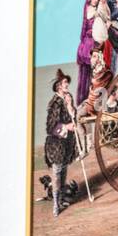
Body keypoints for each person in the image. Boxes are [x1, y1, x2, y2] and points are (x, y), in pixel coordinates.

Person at [43, 69, 79, 217]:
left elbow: (73, 116)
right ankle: (55, 205)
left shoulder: (67, 99)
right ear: (58, 86)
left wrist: (70, 106)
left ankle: (62, 199)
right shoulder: (55, 103)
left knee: (63, 172)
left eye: (67, 82)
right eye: (64, 82)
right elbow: (50, 127)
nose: (67, 85)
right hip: (56, 145)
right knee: (57, 174)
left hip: (67, 144)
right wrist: (66, 127)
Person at [76, 0, 102, 105]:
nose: (96, 0)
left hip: (95, 43)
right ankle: (83, 100)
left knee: (95, 74)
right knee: (86, 75)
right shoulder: (89, 10)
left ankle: (93, 100)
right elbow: (86, 27)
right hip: (88, 44)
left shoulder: (96, 10)